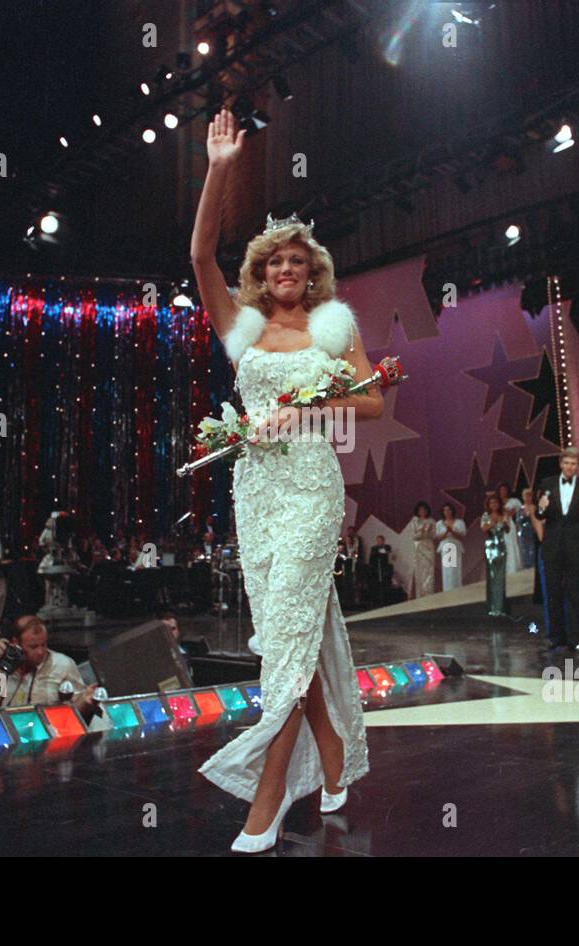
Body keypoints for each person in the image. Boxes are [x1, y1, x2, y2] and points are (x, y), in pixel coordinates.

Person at [190, 109, 376, 853]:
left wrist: (308, 407)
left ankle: (265, 800)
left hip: (310, 487)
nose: (285, 271)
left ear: (314, 271)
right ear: (262, 272)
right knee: (291, 638)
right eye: (274, 262)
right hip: (255, 496)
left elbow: (370, 399)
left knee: (291, 649)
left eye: (297, 262)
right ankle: (334, 759)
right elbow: (200, 252)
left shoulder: (333, 328)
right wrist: (220, 168)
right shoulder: (240, 329)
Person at [0, 615, 100, 716]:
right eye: (33, 646)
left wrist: (86, 700)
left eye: (44, 644)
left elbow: (76, 711)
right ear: (15, 643)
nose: (41, 651)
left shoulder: (63, 664)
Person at [533, 446, 579, 654]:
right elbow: (539, 514)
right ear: (561, 464)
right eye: (566, 463)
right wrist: (541, 507)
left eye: (574, 463)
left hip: (574, 546)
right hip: (552, 546)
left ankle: (574, 640)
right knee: (553, 592)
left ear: (578, 466)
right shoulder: (547, 484)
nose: (570, 467)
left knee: (573, 592)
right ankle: (555, 638)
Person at [480, 495, 510, 617]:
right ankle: (492, 607)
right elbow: (484, 529)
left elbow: (507, 529)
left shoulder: (503, 515)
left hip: (501, 546)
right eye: (491, 503)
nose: (493, 505)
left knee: (500, 577)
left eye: (495, 502)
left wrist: (504, 522)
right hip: (491, 547)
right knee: (492, 577)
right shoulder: (486, 516)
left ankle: (501, 607)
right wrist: (493, 523)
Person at [435, 504, 466, 592]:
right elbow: (438, 538)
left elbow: (462, 536)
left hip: (455, 546)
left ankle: (457, 591)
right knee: (447, 571)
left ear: (452, 511)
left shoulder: (459, 522)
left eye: (449, 510)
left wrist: (452, 531)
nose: (447, 512)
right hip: (445, 547)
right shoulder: (439, 523)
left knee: (455, 570)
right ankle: (447, 591)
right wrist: (446, 532)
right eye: (445, 510)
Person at [409, 501, 435, 597]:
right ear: (417, 511)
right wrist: (422, 531)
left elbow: (434, 535)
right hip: (419, 547)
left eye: (424, 509)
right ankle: (420, 594)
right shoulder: (415, 520)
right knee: (419, 570)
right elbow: (414, 536)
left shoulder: (431, 521)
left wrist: (427, 532)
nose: (422, 511)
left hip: (428, 546)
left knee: (429, 569)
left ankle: (429, 593)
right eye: (420, 510)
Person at [496, 482, 522, 574]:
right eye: (501, 490)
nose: (503, 492)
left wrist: (510, 512)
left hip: (510, 524)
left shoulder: (514, 501)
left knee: (511, 543)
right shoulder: (496, 502)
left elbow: (519, 511)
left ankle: (513, 567)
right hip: (499, 524)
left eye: (505, 490)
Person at [368, 535, 394, 606]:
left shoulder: (387, 547)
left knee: (385, 585)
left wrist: (380, 552)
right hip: (376, 569)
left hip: (384, 569)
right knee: (376, 585)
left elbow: (386, 552)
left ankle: (386, 600)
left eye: (380, 540)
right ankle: (377, 600)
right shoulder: (373, 548)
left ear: (383, 541)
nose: (379, 542)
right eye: (378, 540)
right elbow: (372, 557)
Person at [516, 488, 538, 568]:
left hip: (533, 533)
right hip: (523, 535)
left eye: (530, 496)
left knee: (533, 552)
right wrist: (524, 516)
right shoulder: (520, 509)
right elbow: (518, 522)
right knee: (524, 553)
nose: (528, 498)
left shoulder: (536, 508)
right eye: (526, 496)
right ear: (523, 497)